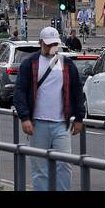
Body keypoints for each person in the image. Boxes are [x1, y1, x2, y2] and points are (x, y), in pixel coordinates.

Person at [13, 26, 85, 192]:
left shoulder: (67, 64)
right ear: (40, 43)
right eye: (48, 44)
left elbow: (76, 91)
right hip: (38, 124)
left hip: (61, 124)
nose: (52, 47)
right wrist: (25, 117)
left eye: (55, 44)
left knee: (65, 165)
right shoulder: (29, 64)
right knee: (40, 169)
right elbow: (19, 92)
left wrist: (79, 118)